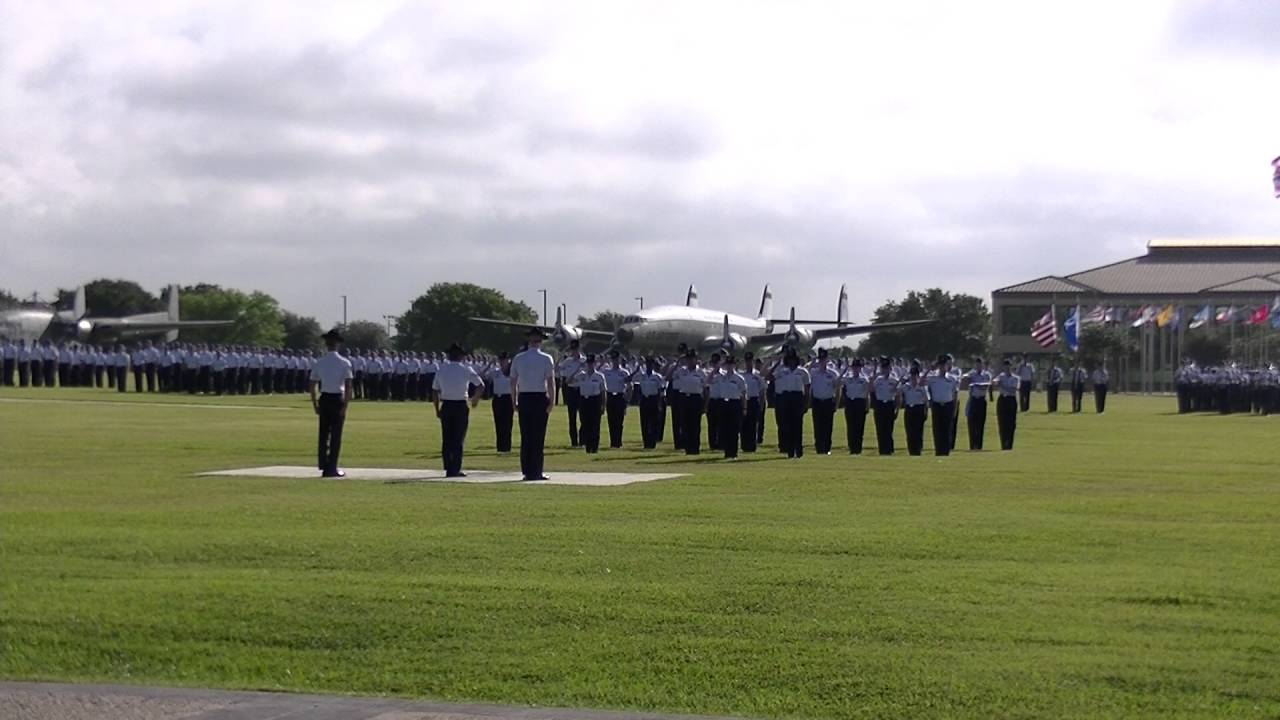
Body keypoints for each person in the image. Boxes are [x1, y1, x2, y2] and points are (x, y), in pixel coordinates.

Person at [510, 327, 556, 481]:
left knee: (526, 436)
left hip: (524, 397)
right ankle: (536, 471)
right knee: (538, 436)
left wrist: (514, 400)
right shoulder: (546, 358)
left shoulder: (519, 358)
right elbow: (550, 382)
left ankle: (527, 470)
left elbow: (513, 382)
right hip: (539, 397)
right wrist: (552, 401)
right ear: (540, 341)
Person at [432, 343, 483, 477]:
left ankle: (448, 466)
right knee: (458, 438)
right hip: (460, 404)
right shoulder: (466, 369)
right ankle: (455, 467)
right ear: (461, 356)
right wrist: (475, 399)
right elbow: (480, 385)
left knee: (447, 437)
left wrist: (437, 409)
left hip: (447, 404)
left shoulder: (441, 370)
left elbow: (435, 391)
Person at [309, 329, 353, 478]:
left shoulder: (319, 362)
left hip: (324, 398)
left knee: (323, 433)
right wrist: (345, 406)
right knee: (336, 434)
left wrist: (315, 404)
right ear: (338, 344)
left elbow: (312, 385)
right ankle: (332, 467)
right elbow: (348, 386)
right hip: (337, 399)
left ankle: (324, 464)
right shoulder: (344, 362)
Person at [773, 350, 810, 459]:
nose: (791, 362)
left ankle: (798, 450)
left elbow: (807, 389)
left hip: (797, 398)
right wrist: (776, 363)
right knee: (787, 426)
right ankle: (790, 451)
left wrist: (806, 403)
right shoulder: (782, 371)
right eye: (789, 360)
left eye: (793, 359)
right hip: (786, 398)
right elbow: (768, 376)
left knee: (798, 425)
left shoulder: (803, 372)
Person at [671, 350, 707, 454]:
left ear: (696, 360)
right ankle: (687, 448)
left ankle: (695, 448)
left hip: (696, 399)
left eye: (692, 359)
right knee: (684, 424)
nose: (690, 361)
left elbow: (706, 389)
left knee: (695, 424)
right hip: (684, 398)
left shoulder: (701, 372)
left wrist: (705, 404)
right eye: (688, 359)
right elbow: (669, 377)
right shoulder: (681, 371)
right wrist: (676, 364)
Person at [713, 355, 747, 459]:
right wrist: (717, 367)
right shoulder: (720, 377)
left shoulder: (739, 378)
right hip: (723, 403)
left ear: (734, 365)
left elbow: (744, 394)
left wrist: (744, 408)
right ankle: (727, 452)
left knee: (734, 430)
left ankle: (733, 452)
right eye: (727, 364)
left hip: (734, 404)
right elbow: (708, 381)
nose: (729, 366)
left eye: (731, 364)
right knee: (724, 429)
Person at [572, 354, 607, 453]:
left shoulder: (599, 376)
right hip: (584, 401)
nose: (590, 365)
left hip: (595, 401)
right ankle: (588, 446)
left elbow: (603, 392)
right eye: (588, 363)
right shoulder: (581, 375)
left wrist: (603, 405)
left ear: (595, 364)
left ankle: (594, 447)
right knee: (585, 423)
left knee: (595, 424)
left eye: (592, 363)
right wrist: (578, 369)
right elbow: (568, 381)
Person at [925, 355, 957, 456]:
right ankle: (938, 451)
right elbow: (921, 382)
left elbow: (955, 394)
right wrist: (928, 370)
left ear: (947, 366)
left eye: (944, 365)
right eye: (941, 365)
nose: (942, 367)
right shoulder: (932, 378)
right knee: (937, 429)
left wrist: (954, 408)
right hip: (937, 405)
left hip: (948, 405)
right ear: (938, 366)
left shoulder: (952, 378)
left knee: (947, 429)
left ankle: (946, 451)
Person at [808, 349, 839, 455]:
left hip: (828, 401)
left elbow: (837, 388)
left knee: (828, 426)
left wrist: (837, 403)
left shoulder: (833, 373)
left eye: (824, 359)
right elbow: (805, 373)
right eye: (820, 360)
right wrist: (812, 362)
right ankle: (819, 447)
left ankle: (827, 448)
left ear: (827, 359)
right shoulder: (813, 373)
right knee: (817, 425)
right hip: (817, 401)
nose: (822, 362)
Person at [838, 357, 870, 454]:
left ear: (860, 368)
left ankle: (858, 448)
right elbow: (837, 382)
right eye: (854, 367)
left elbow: (867, 394)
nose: (855, 369)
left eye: (857, 367)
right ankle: (851, 448)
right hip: (850, 403)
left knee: (859, 427)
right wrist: (844, 371)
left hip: (860, 403)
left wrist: (867, 406)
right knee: (850, 426)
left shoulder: (864, 380)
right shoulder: (848, 379)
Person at [634, 357, 666, 449]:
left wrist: (659, 403)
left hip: (654, 399)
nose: (649, 366)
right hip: (645, 399)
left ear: (653, 366)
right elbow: (637, 386)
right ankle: (646, 442)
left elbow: (660, 390)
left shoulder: (657, 377)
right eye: (647, 364)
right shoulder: (642, 376)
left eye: (650, 364)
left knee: (653, 421)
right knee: (644, 421)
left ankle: (652, 442)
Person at [557, 341, 584, 447]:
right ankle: (574, 442)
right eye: (572, 349)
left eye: (575, 349)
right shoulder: (567, 361)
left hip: (581, 390)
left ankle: (582, 440)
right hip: (571, 390)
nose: (574, 351)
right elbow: (558, 369)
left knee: (583, 417)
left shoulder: (584, 361)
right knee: (572, 418)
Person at [602, 350, 631, 449]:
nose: (614, 361)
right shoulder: (606, 372)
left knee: (619, 421)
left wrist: (627, 399)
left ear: (619, 359)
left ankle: (618, 442)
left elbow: (629, 386)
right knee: (611, 420)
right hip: (610, 396)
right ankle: (612, 442)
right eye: (613, 359)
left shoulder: (624, 372)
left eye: (616, 359)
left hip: (620, 396)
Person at [961, 358, 991, 450]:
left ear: (982, 365)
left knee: (980, 423)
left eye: (980, 365)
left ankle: (979, 445)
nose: (978, 367)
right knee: (971, 423)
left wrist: (975, 384)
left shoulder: (986, 374)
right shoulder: (972, 373)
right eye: (977, 365)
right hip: (973, 400)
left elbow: (985, 386)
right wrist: (967, 377)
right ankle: (972, 445)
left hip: (981, 400)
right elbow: (964, 377)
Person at [899, 362, 929, 456]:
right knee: (909, 431)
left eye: (915, 376)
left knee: (918, 431)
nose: (913, 378)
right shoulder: (906, 386)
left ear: (918, 376)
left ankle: (918, 450)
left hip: (919, 409)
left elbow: (926, 401)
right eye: (912, 376)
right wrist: (900, 380)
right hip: (909, 409)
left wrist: (926, 412)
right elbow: (896, 391)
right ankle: (911, 450)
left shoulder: (922, 387)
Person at [870, 356, 899, 455]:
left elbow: (898, 396)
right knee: (880, 428)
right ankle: (882, 449)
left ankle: (889, 449)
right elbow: (871, 389)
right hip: (880, 405)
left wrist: (897, 409)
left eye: (886, 368)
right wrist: (873, 377)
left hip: (889, 405)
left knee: (889, 429)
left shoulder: (894, 380)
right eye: (883, 368)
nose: (885, 370)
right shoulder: (878, 380)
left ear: (890, 369)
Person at [488, 352, 515, 453]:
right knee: (498, 423)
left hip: (508, 399)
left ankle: (507, 447)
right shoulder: (495, 372)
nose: (503, 362)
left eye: (505, 360)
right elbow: (482, 375)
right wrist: (489, 364)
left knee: (507, 423)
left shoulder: (512, 373)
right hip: (497, 399)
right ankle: (500, 447)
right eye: (501, 360)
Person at [993, 359, 1020, 451]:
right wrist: (996, 382)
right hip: (1002, 400)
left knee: (1011, 423)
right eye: (1005, 367)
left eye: (1008, 367)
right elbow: (995, 381)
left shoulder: (1015, 378)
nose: (1007, 369)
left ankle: (1009, 444)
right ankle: (1003, 444)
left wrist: (1002, 386)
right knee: (1002, 422)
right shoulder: (1001, 376)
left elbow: (1013, 390)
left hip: (1011, 400)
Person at [742, 354, 765, 453]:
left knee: (753, 424)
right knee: (744, 424)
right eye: (747, 361)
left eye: (750, 361)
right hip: (744, 401)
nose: (748, 363)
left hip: (754, 401)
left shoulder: (758, 375)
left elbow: (762, 391)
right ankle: (744, 445)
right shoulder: (742, 375)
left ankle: (751, 446)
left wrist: (762, 405)